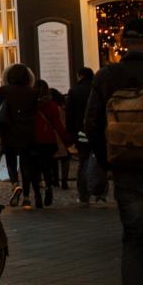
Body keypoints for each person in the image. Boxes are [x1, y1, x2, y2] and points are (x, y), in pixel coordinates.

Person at [84, 16, 143, 285]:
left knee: (135, 237)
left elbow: (92, 124)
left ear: (123, 43)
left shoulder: (107, 76)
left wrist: (107, 159)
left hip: (127, 169)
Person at [0, 63, 38, 208]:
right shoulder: (32, 92)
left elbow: (0, 109)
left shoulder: (4, 90)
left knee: (11, 161)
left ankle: (15, 184)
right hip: (27, 131)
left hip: (9, 130)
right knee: (27, 164)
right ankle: (26, 197)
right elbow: (34, 112)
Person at [32, 80, 67, 208]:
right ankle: (48, 186)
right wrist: (66, 140)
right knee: (46, 166)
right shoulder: (51, 105)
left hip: (34, 140)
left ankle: (37, 196)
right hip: (49, 140)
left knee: (34, 169)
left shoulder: (30, 104)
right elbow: (57, 125)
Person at [66, 66, 95, 200]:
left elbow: (69, 114)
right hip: (96, 130)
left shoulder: (74, 91)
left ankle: (83, 193)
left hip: (80, 131)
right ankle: (99, 189)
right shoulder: (96, 89)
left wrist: (70, 134)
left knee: (83, 160)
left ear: (80, 76)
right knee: (98, 158)